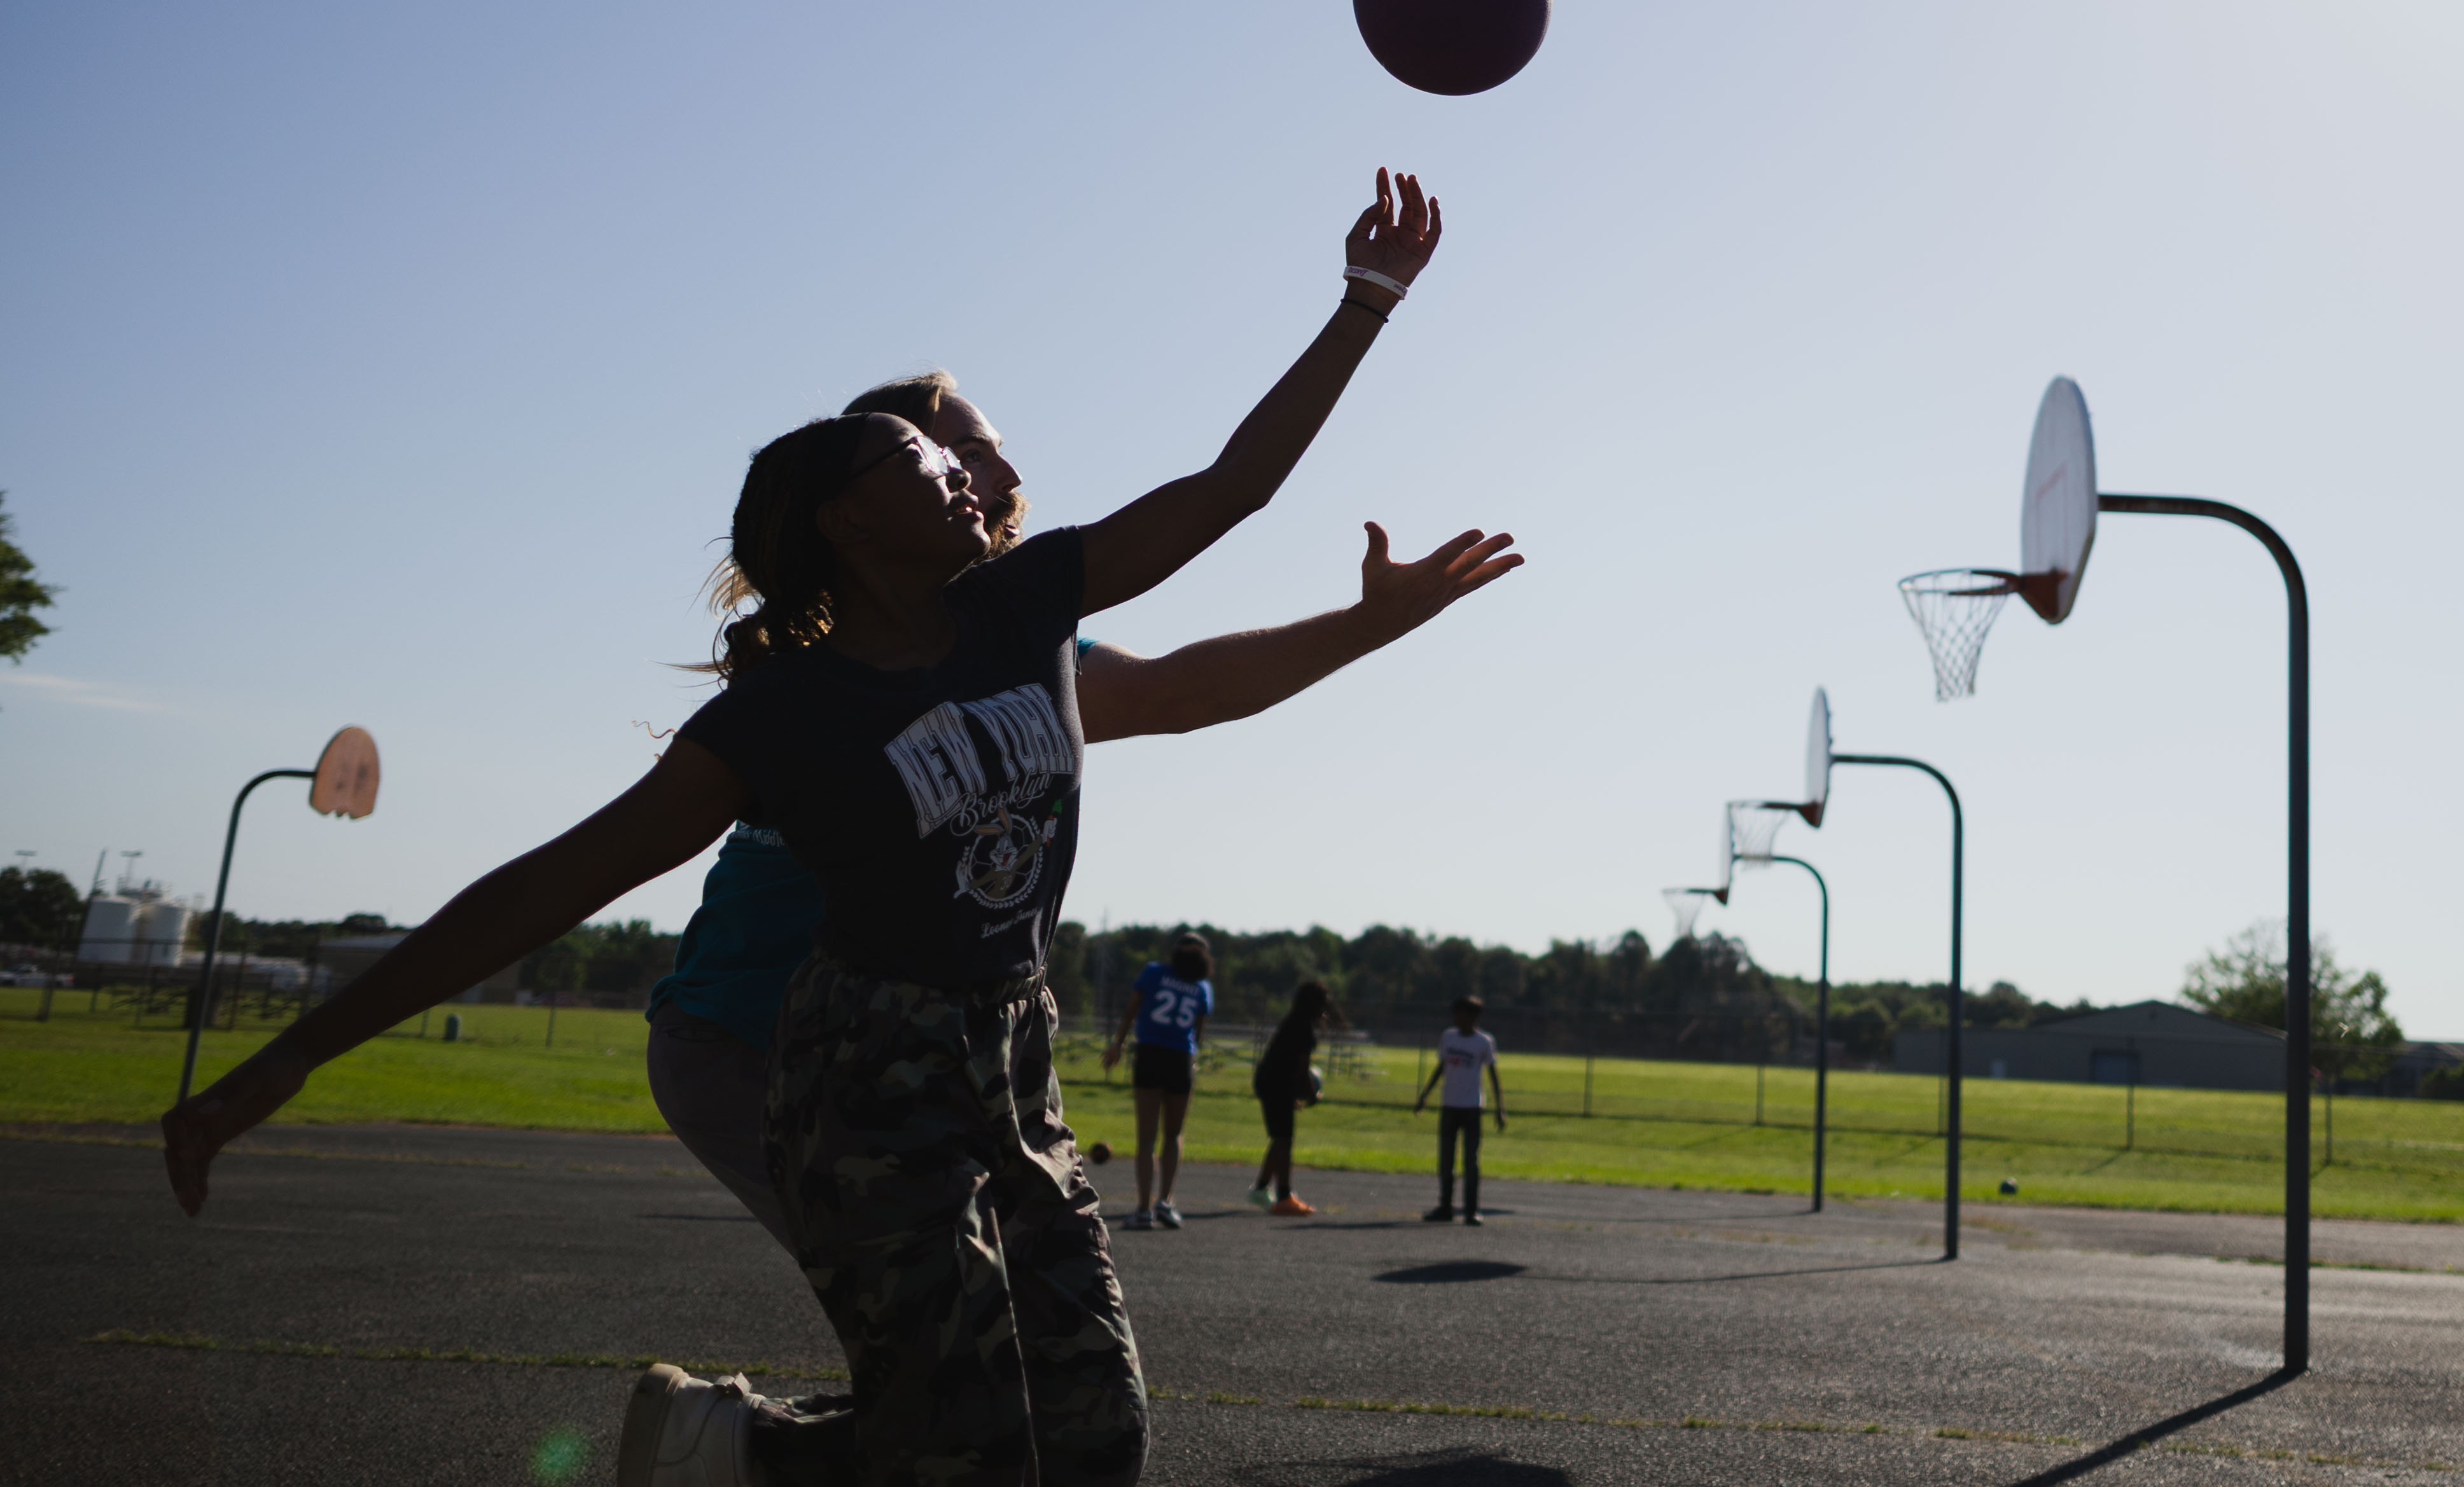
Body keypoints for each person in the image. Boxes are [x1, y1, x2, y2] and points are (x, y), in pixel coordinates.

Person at [163, 172, 1520, 1487]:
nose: (963, 464)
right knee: (971, 1439)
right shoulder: (786, 718)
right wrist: (289, 1056)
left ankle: (744, 1449)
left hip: (1012, 1047)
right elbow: (547, 886)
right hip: (859, 1074)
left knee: (1093, 1433)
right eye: (916, 451)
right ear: (846, 521)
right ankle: (746, 1443)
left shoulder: (1022, 609)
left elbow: (1233, 486)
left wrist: (1365, 297)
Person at [1101, 932, 1213, 1230]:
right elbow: (1198, 1031)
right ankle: (1166, 1201)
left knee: (1147, 1137)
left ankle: (1143, 1208)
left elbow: (1131, 1010)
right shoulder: (1202, 986)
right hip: (1180, 1059)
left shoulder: (1154, 972)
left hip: (1151, 1055)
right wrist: (1193, 1059)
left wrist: (1118, 1044)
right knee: (1174, 1134)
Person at [1410, 994, 1507, 1225]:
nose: (1456, 1018)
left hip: (1472, 1107)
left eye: (1460, 1013)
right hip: (1449, 1106)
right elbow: (1441, 1067)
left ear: (1473, 1016)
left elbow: (1494, 1076)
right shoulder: (1448, 1037)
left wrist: (1500, 1108)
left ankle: (1472, 1210)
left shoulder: (1484, 1042)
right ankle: (1445, 1207)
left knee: (1471, 1162)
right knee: (1446, 1160)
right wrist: (1425, 1096)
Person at [1247, 980, 1339, 1217]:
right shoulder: (1303, 1029)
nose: (1325, 1008)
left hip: (1273, 1082)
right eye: (1323, 1002)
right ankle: (1284, 1195)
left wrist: (1292, 1093)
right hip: (1276, 1084)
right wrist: (1312, 1095)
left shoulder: (1293, 1023)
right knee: (1284, 1140)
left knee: (1280, 1138)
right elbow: (1301, 1069)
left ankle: (1261, 1188)